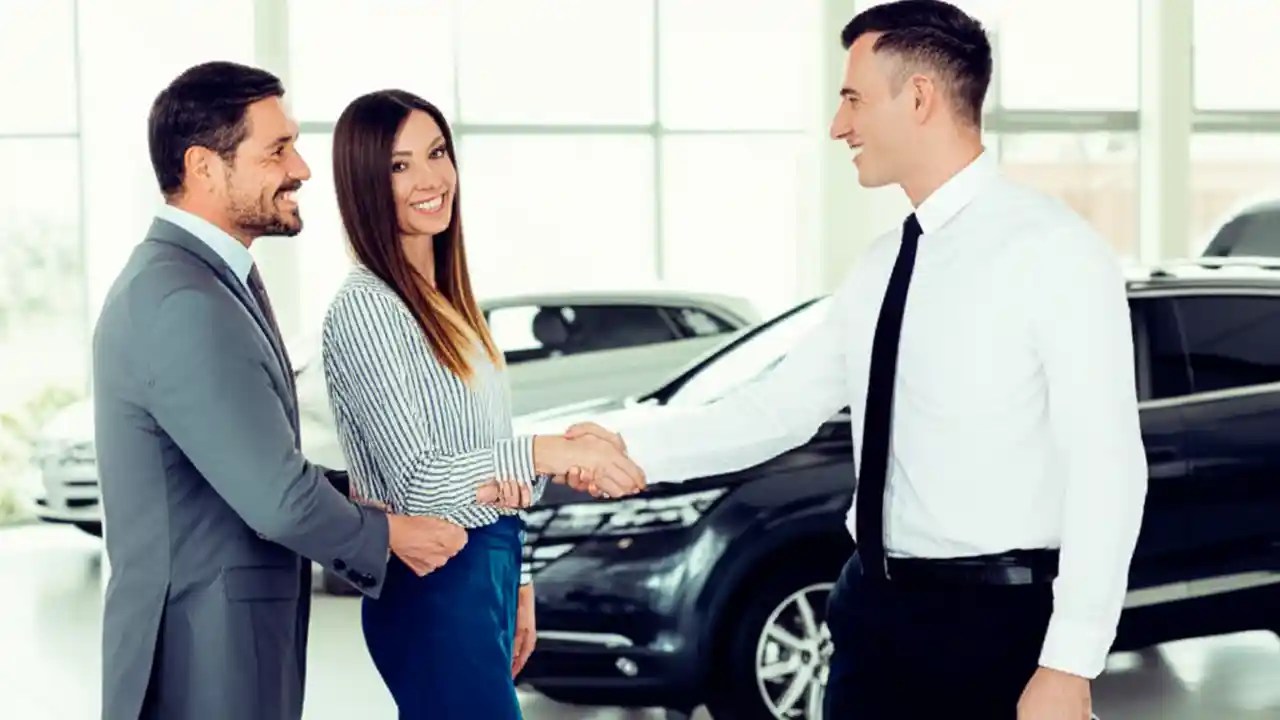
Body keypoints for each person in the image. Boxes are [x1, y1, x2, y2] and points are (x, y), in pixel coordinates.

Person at [560, 2, 1147, 718]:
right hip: (871, 614)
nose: (840, 125)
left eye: (853, 98)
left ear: (921, 97)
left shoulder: (1056, 252)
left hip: (995, 627)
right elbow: (773, 411)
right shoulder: (880, 268)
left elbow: (1107, 465)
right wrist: (625, 443)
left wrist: (1069, 662)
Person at [92, 62, 472, 720]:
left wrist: (352, 492)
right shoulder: (183, 296)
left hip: (224, 635)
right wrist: (389, 533)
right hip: (200, 650)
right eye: (278, 149)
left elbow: (245, 456)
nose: (301, 168)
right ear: (204, 167)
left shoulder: (211, 279)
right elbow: (278, 501)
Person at [320, 89, 646, 720]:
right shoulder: (367, 307)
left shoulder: (449, 301)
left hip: (483, 572)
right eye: (399, 164)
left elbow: (485, 459)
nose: (430, 177)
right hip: (433, 583)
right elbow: (418, 484)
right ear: (364, 181)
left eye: (437, 152)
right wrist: (548, 451)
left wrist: (518, 578)